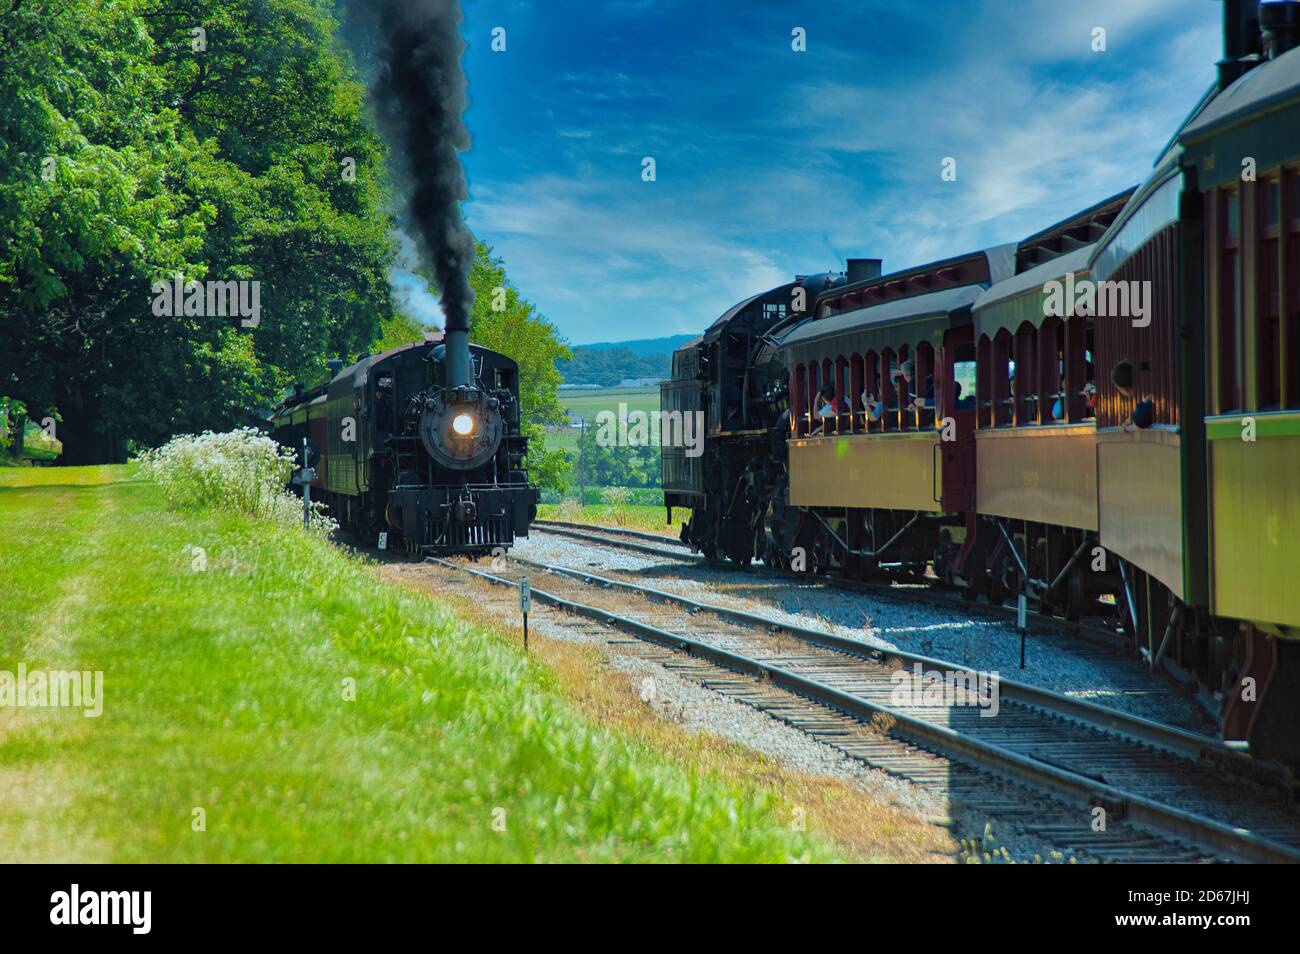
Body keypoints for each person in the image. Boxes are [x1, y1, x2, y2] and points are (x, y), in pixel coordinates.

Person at [1111, 360, 1153, 431]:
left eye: (1117, 387)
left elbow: (1140, 419)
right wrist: (1130, 419)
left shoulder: (1150, 396)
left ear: (1123, 388)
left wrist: (1132, 419)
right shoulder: (1147, 391)